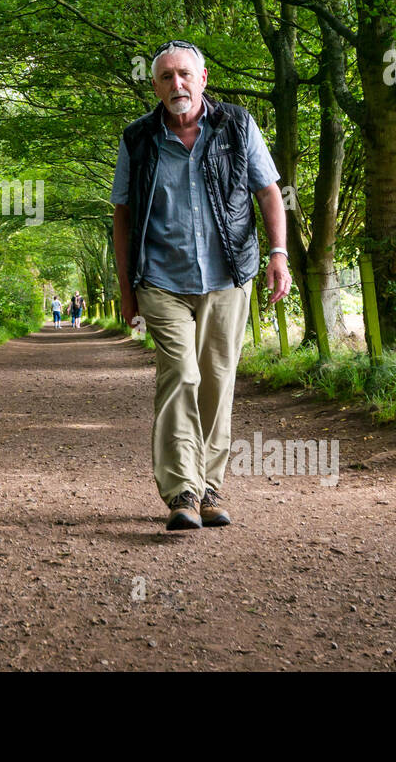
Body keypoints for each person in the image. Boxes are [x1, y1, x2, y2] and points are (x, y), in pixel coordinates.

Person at [112, 41, 291, 531]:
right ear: (155, 86)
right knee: (181, 375)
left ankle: (210, 486)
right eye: (167, 77)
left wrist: (279, 254)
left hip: (228, 276)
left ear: (203, 78)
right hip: (161, 280)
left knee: (216, 379)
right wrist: (127, 288)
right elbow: (123, 216)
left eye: (185, 75)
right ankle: (181, 492)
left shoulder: (236, 124)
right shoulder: (138, 139)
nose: (177, 85)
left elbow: (269, 191)